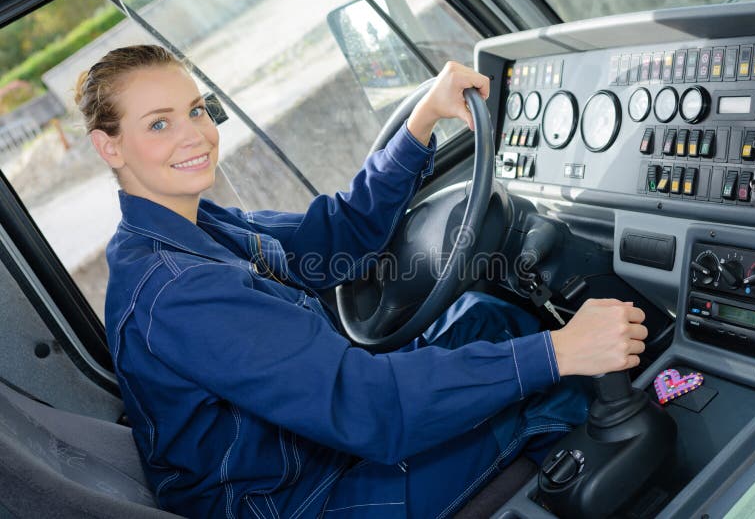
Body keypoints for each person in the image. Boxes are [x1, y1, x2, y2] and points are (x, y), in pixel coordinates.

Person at [75, 45, 648, 518]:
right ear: (110, 146)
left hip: (313, 450)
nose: (195, 136)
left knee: (488, 316)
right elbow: (367, 407)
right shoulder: (179, 291)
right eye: (159, 123)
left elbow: (334, 240)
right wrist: (560, 351)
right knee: (557, 384)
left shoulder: (194, 228)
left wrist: (422, 121)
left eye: (198, 110)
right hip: (295, 500)